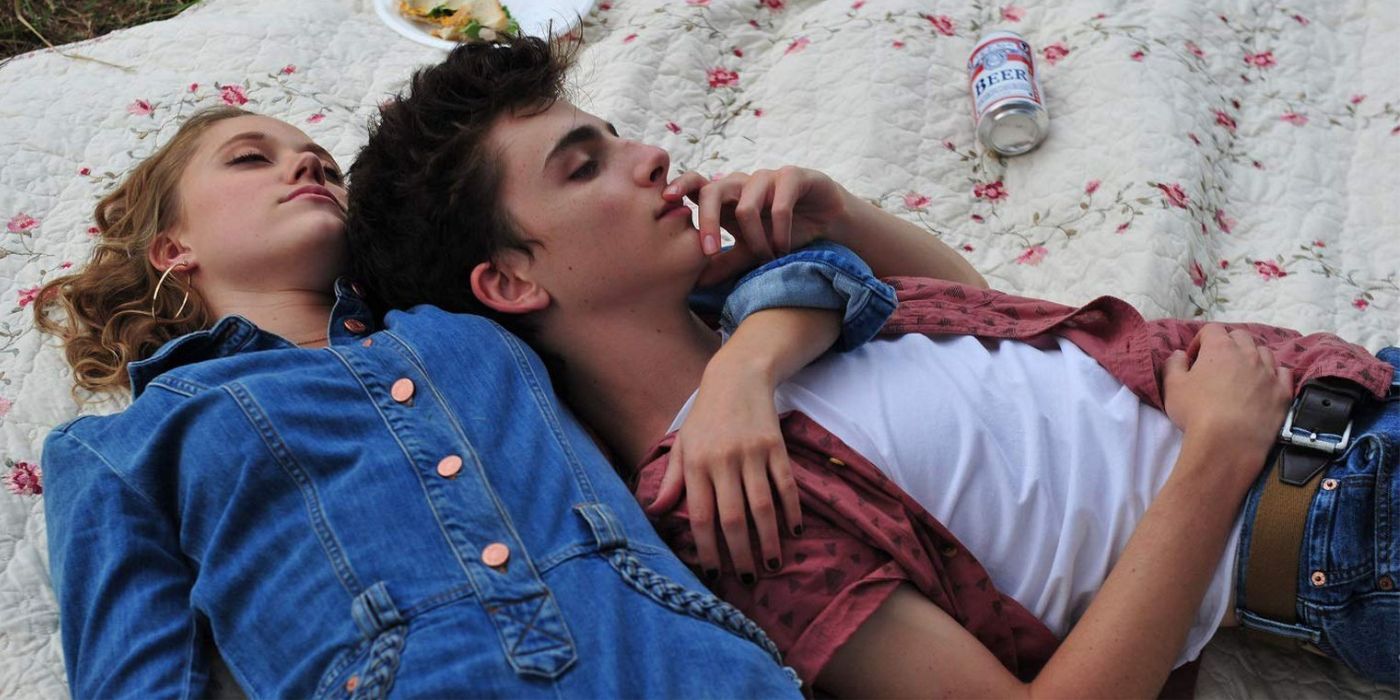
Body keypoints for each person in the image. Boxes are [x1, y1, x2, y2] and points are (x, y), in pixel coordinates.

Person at [344, 36, 1400, 697]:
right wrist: (1218, 451)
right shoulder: (729, 521)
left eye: (614, 134)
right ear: (510, 283)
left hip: (1356, 398)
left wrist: (836, 224)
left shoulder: (758, 310)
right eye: (585, 167)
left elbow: (983, 316)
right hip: (1335, 519)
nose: (650, 155)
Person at [32, 105, 898, 698]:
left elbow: (815, 275)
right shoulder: (121, 445)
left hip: (692, 667)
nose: (309, 164)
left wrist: (741, 370)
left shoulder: (470, 317)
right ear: (173, 248)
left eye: (324, 162)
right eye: (250, 157)